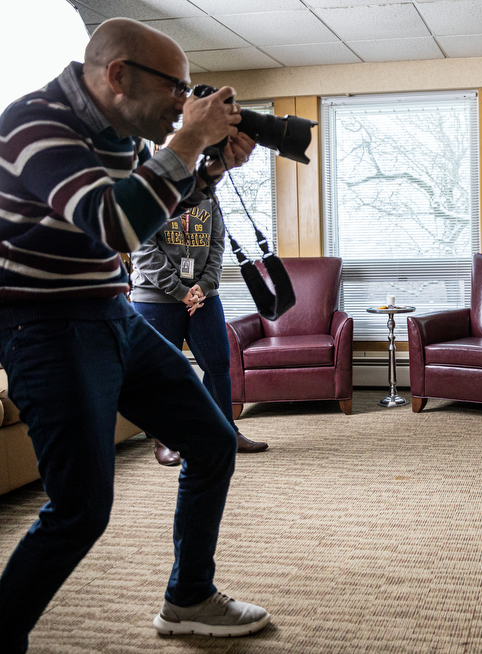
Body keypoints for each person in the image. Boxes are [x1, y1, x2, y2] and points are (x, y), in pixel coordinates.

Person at [0, 18, 271, 651]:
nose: (184, 101)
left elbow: (150, 212)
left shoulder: (120, 133)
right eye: (175, 87)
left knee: (212, 442)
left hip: (111, 312)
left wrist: (205, 172)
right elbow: (114, 225)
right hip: (44, 325)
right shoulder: (34, 124)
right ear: (119, 76)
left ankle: (189, 597)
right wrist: (186, 141)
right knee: (80, 510)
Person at [131, 181, 268, 466]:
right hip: (155, 296)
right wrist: (180, 291)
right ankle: (166, 439)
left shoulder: (208, 197)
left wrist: (204, 286)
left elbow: (217, 245)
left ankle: (225, 432)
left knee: (218, 363)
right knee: (161, 370)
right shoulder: (149, 194)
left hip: (202, 294)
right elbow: (143, 252)